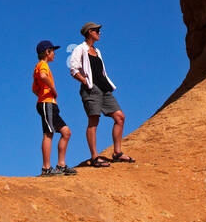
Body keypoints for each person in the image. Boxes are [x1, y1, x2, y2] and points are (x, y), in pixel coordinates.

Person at [68, 22, 135, 166]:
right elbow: (73, 69)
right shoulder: (80, 49)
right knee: (93, 121)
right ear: (89, 32)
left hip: (104, 89)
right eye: (97, 31)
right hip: (91, 89)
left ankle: (117, 153)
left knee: (120, 117)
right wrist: (85, 82)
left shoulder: (97, 51)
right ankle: (94, 157)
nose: (99, 33)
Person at [33, 41, 77, 177]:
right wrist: (52, 88)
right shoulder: (43, 65)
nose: (54, 54)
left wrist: (44, 94)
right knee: (49, 133)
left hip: (49, 103)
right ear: (47, 52)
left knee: (66, 132)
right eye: (53, 51)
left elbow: (34, 89)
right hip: (47, 103)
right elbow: (43, 77)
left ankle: (60, 166)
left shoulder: (39, 66)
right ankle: (46, 168)